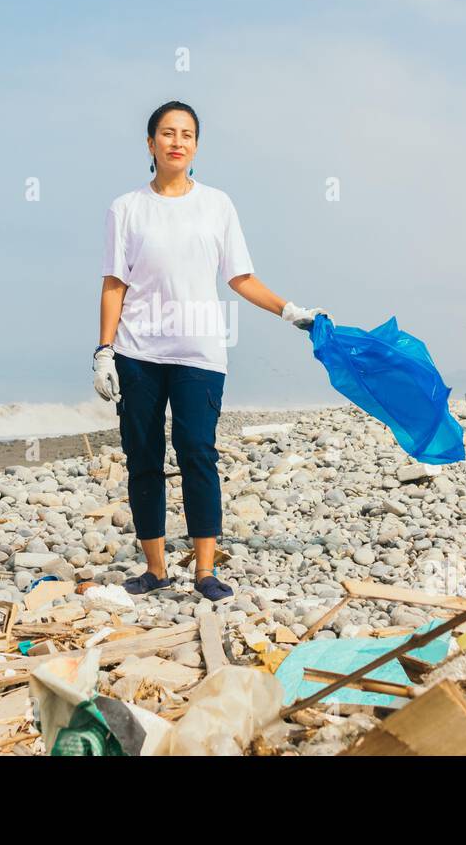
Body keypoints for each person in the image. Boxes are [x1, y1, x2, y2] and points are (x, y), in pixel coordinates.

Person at [93, 100, 327, 601]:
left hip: (199, 352)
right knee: (143, 458)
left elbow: (240, 277)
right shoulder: (126, 208)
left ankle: (204, 571)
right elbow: (115, 283)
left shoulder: (217, 205)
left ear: (195, 146)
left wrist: (292, 311)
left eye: (187, 134)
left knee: (198, 453)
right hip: (137, 352)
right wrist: (104, 351)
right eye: (167, 132)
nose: (177, 141)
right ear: (151, 143)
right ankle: (155, 569)